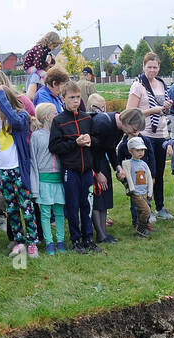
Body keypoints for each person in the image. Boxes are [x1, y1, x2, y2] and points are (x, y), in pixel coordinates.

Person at [0, 81, 41, 257]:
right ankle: (19, 241)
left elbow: (16, 123)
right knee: (11, 209)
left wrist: (0, 96)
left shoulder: (21, 117)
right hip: (4, 172)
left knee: (26, 207)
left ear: (6, 102)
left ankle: (32, 241)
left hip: (19, 170)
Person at [49, 81, 97, 253]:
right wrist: (74, 143)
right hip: (71, 170)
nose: (75, 101)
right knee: (73, 205)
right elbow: (54, 146)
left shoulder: (86, 118)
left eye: (77, 97)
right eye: (71, 98)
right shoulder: (59, 121)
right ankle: (75, 239)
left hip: (87, 170)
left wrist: (91, 141)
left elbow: (97, 140)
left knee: (86, 204)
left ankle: (88, 238)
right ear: (63, 99)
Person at [126, 53, 174, 221]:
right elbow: (130, 112)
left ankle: (160, 206)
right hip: (145, 134)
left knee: (159, 173)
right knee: (144, 174)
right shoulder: (138, 86)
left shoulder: (161, 84)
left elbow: (164, 110)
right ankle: (146, 208)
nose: (153, 70)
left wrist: (166, 107)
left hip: (161, 132)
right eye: (149, 67)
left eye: (155, 67)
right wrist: (154, 110)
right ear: (143, 67)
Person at [94, 106, 145, 240]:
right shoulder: (102, 124)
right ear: (127, 121)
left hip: (101, 160)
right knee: (97, 198)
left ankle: (104, 233)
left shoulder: (120, 128)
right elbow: (91, 150)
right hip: (91, 162)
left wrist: (117, 166)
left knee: (105, 197)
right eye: (135, 129)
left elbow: (110, 148)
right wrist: (98, 172)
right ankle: (100, 234)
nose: (135, 134)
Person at [30, 102, 66, 253]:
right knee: (45, 213)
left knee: (59, 212)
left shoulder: (59, 133)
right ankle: (49, 242)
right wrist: (35, 187)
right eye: (55, 113)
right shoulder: (36, 136)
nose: (58, 115)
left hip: (58, 179)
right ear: (47, 117)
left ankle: (61, 240)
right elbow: (32, 162)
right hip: (44, 181)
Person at [22, 31, 62, 102]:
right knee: (44, 75)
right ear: (49, 42)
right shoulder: (40, 49)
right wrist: (46, 63)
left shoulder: (44, 49)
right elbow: (37, 65)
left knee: (44, 75)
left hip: (34, 67)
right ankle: (44, 86)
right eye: (53, 46)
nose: (53, 49)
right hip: (29, 68)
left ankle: (44, 86)